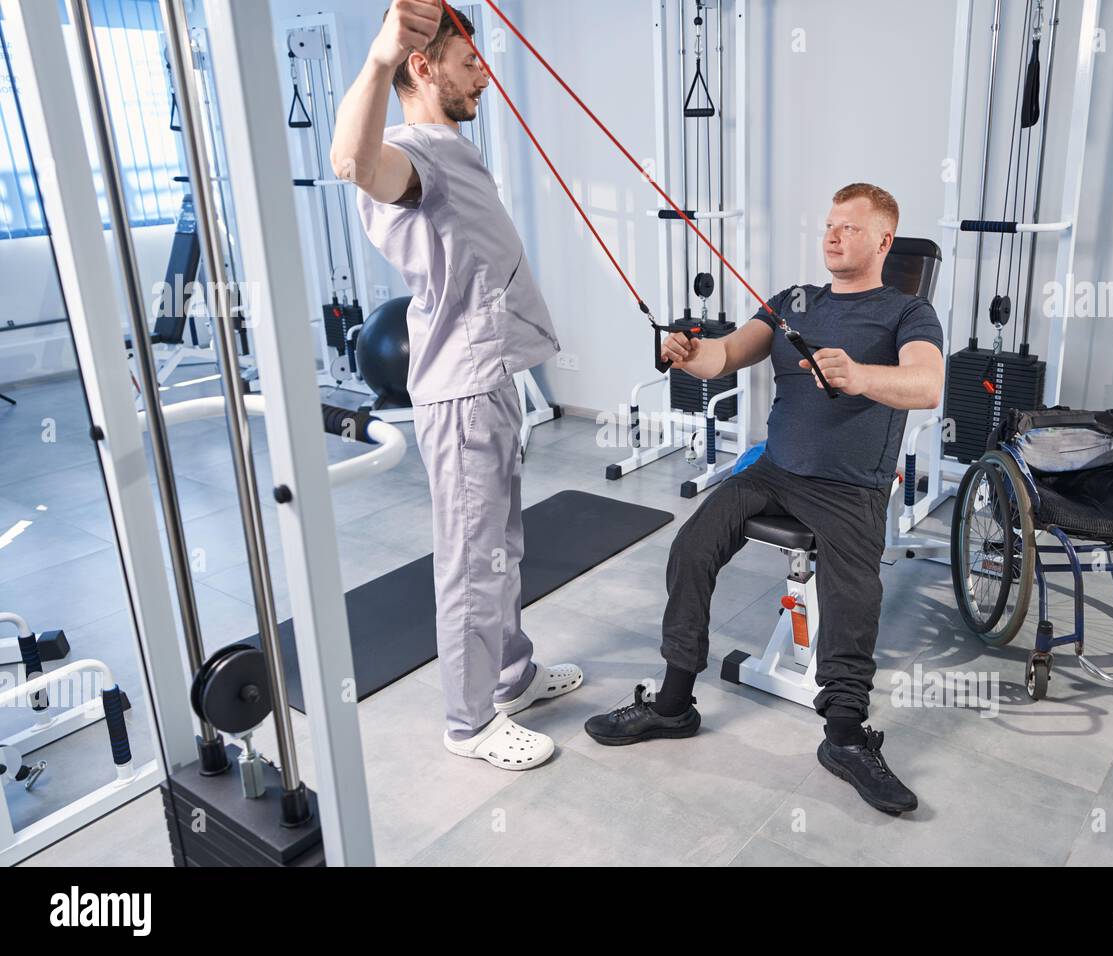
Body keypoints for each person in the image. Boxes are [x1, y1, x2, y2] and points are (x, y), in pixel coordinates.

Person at [584, 183, 945, 814]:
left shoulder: (907, 313)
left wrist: (860, 376)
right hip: (775, 471)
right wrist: (688, 351)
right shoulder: (792, 302)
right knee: (692, 546)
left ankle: (844, 737)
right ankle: (672, 704)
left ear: (885, 241)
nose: (834, 236)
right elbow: (724, 356)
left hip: (849, 489)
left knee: (852, 596)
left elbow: (928, 383)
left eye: (851, 229)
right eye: (830, 225)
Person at [333, 0, 581, 771]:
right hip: (463, 391)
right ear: (422, 66)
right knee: (472, 561)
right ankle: (469, 724)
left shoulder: (450, 148)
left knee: (501, 548)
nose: (483, 70)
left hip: (492, 378)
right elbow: (354, 164)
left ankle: (510, 676)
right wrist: (374, 59)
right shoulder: (412, 152)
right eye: (468, 59)